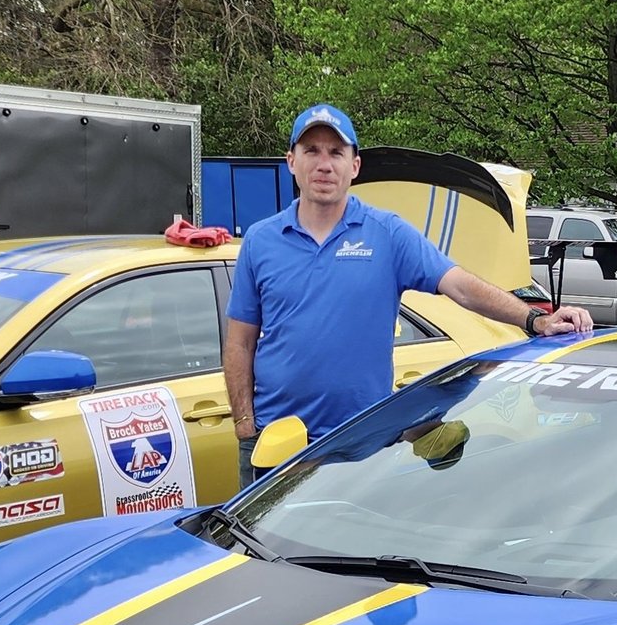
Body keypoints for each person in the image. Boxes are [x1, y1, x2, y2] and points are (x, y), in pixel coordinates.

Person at [224, 104, 593, 484]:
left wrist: (536, 319)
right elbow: (240, 343)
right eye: (311, 151)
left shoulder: (386, 233)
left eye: (336, 152)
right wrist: (244, 425)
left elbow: (461, 286)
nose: (324, 164)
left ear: (354, 166)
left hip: (360, 450)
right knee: (253, 546)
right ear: (291, 161)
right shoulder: (261, 240)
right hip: (275, 447)